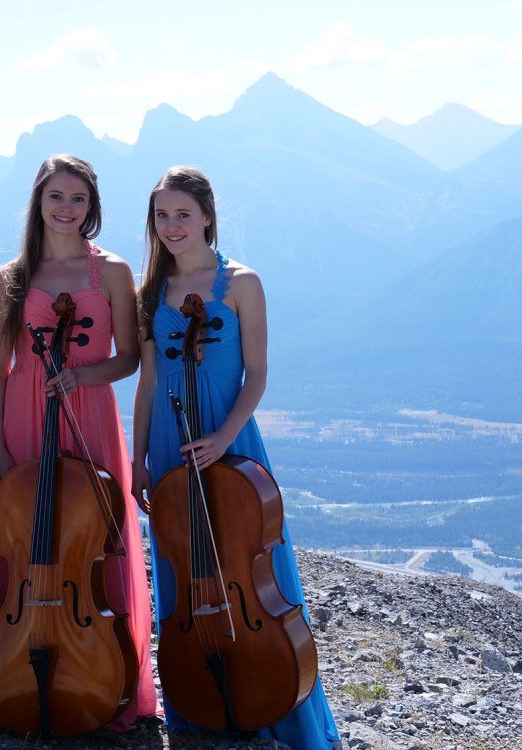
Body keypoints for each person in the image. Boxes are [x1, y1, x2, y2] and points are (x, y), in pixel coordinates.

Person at [131, 166, 341, 750]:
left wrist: (224, 437)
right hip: (170, 446)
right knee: (184, 565)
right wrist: (137, 459)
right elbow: (148, 383)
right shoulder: (152, 291)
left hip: (229, 439)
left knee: (253, 566)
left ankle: (278, 700)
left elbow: (257, 376)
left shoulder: (242, 283)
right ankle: (198, 703)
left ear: (206, 216)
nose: (171, 226)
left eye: (182, 214)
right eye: (161, 215)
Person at [0, 154, 158, 730]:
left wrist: (81, 374)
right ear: (38, 201)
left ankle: (101, 678)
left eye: (78, 198)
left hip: (87, 409)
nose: (66, 208)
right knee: (21, 548)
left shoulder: (111, 271)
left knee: (92, 542)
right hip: (23, 414)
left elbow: (129, 359)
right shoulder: (12, 275)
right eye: (56, 197)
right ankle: (10, 672)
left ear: (93, 207)